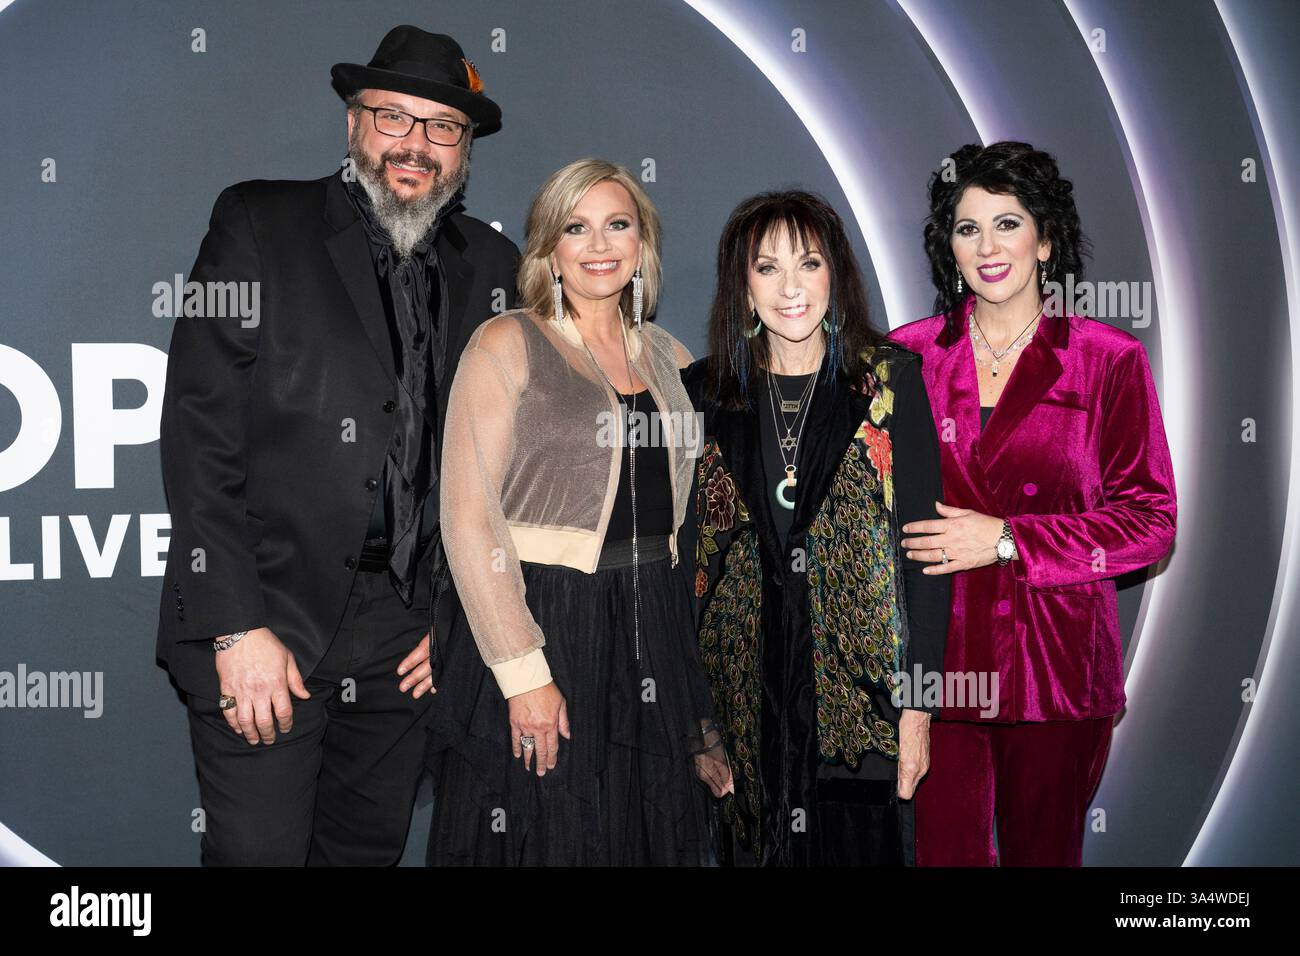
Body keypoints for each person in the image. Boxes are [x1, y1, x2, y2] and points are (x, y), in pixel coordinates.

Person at [155, 25, 520, 865]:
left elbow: (509, 465)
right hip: (266, 618)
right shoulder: (258, 221)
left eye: (443, 127)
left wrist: (460, 616)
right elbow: (200, 431)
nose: (416, 144)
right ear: (352, 123)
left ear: (464, 151)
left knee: (366, 855)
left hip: (408, 639)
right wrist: (232, 626)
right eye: (393, 117)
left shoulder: (495, 264)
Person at [425, 159, 732, 866]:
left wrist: (695, 706)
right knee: (549, 838)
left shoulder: (668, 356)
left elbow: (690, 519)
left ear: (642, 244)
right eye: (576, 227)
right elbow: (468, 520)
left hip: (654, 622)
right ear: (549, 250)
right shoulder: (507, 342)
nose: (600, 244)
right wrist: (523, 673)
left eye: (617, 224)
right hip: (547, 622)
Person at [888, 141, 1177, 866]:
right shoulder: (907, 356)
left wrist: (1011, 538)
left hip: (1057, 672)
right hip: (937, 668)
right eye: (967, 227)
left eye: (1007, 223)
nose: (987, 246)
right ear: (946, 247)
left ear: (1046, 239)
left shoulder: (1107, 358)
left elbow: (1150, 522)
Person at [683, 190, 949, 866]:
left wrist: (918, 711)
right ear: (742, 287)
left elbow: (925, 558)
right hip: (743, 705)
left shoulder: (890, 381)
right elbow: (685, 565)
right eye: (766, 268)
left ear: (837, 274)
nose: (791, 287)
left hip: (862, 710)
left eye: (808, 263)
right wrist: (697, 722)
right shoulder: (705, 393)